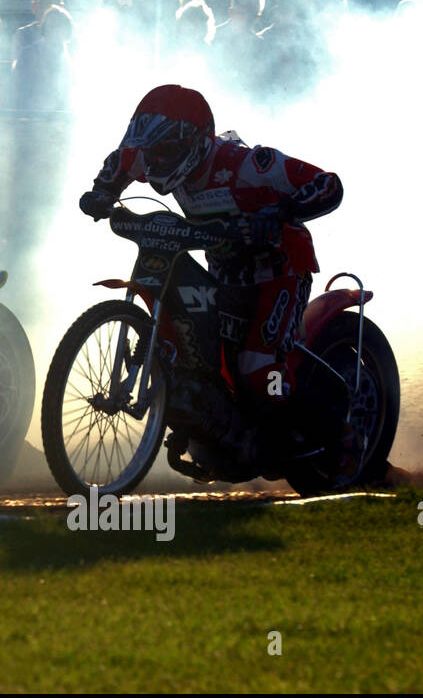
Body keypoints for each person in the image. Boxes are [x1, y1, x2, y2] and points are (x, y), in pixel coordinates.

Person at [76, 84, 353, 480]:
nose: (153, 162)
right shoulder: (149, 155)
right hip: (224, 274)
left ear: (194, 142)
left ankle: (339, 434)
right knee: (207, 358)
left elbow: (327, 184)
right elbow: (121, 161)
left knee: (258, 370)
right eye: (151, 151)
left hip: (279, 271)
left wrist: (281, 213)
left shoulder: (247, 164)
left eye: (164, 151)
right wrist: (101, 193)